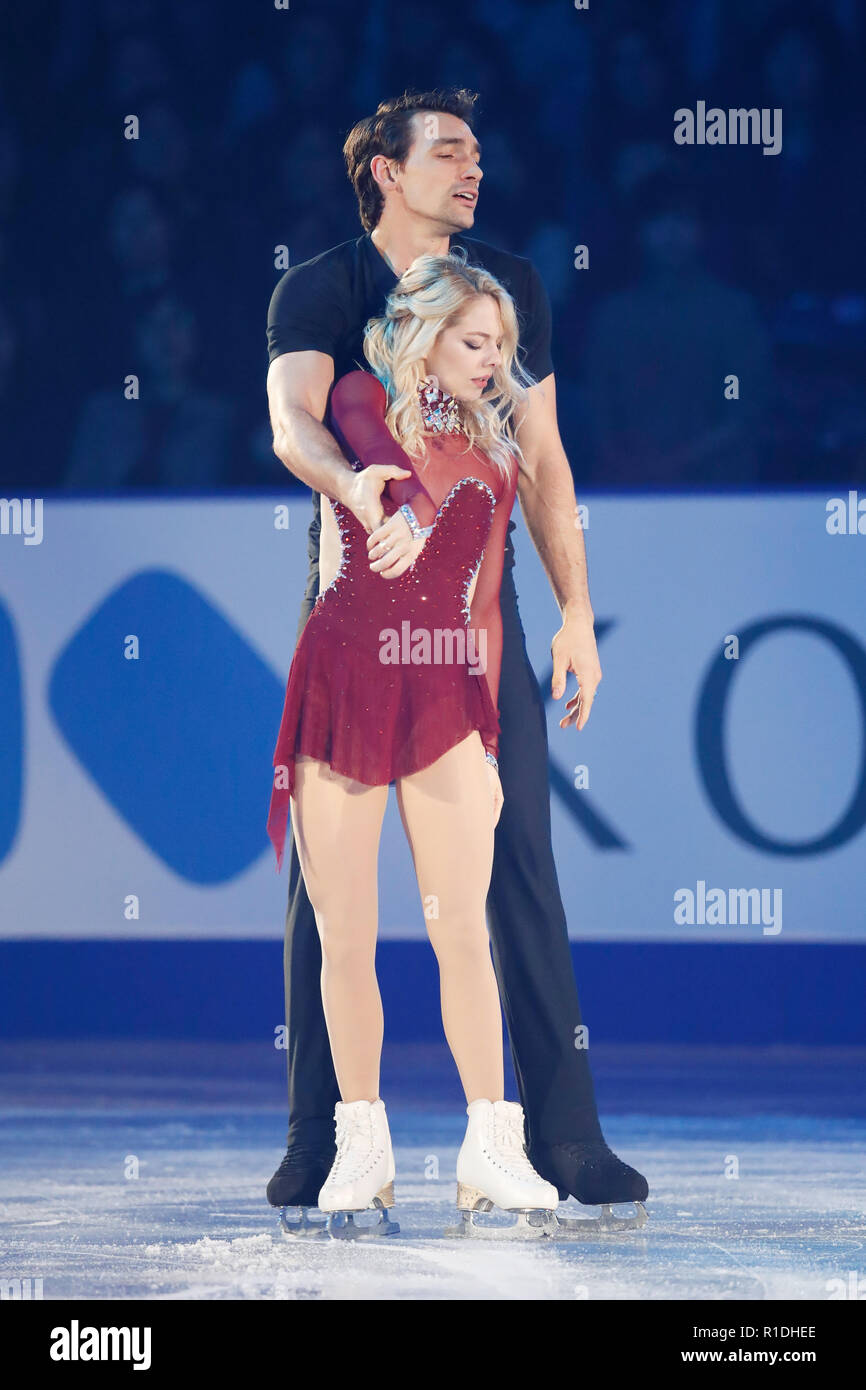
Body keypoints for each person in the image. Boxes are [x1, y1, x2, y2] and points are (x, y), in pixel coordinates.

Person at [265, 87, 648, 1225]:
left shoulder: (511, 285)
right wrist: (352, 482)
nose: (471, 166)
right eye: (446, 150)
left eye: (477, 150)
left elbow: (541, 459)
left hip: (478, 611)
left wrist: (575, 609)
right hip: (351, 598)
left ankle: (560, 1134)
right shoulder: (320, 288)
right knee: (325, 891)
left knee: (515, 849)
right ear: (384, 169)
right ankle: (321, 1134)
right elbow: (295, 423)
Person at [268, 253, 561, 1230]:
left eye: (501, 348)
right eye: (473, 341)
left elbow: (480, 605)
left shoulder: (495, 451)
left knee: (461, 934)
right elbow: (366, 459)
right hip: (345, 675)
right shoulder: (354, 399)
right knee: (344, 938)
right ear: (424, 332)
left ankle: (491, 1142)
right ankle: (362, 1143)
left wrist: (484, 735)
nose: (490, 362)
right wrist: (376, 501)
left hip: (439, 688)